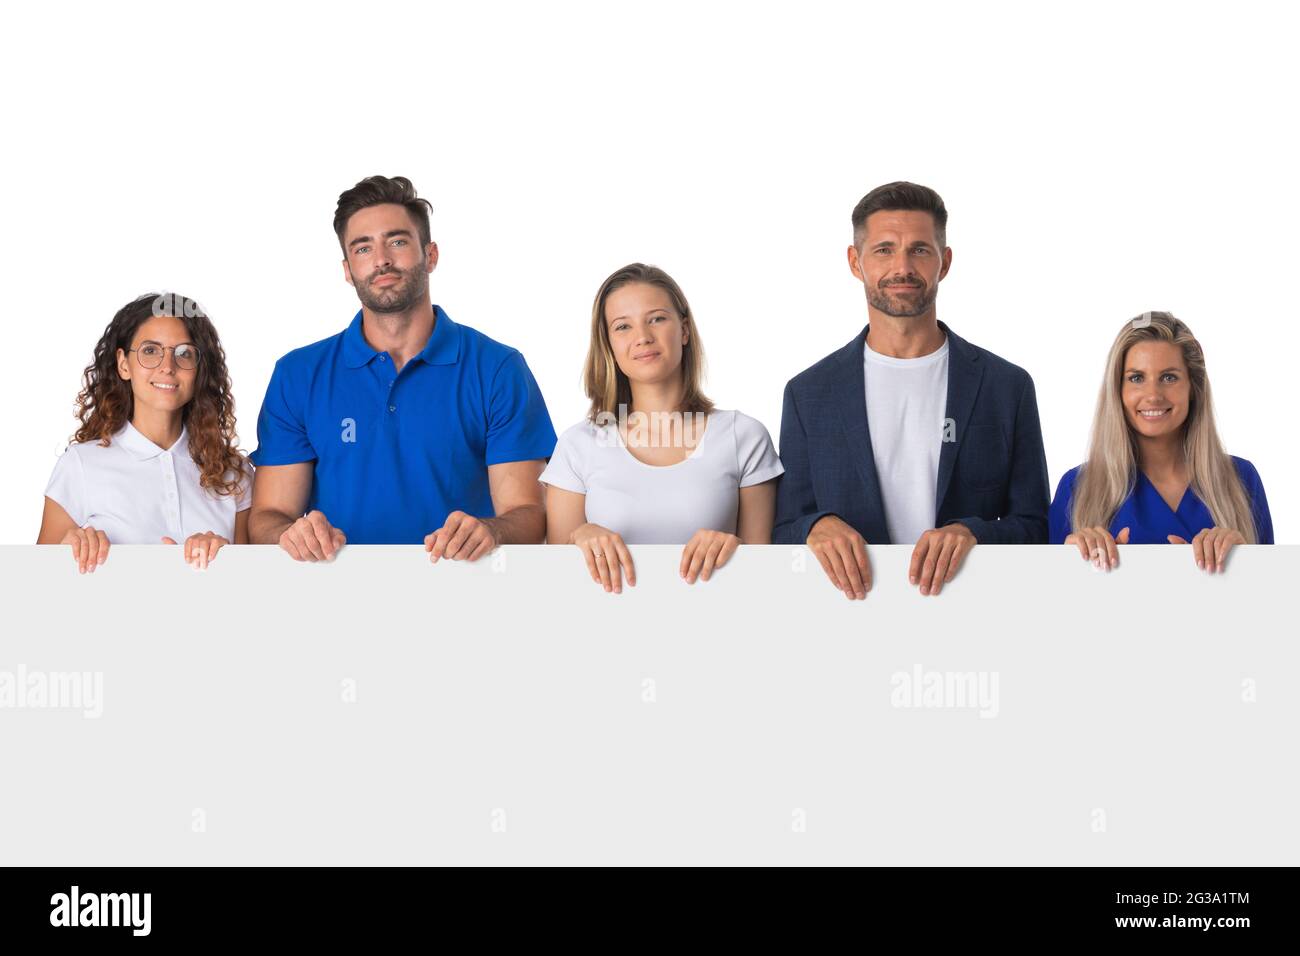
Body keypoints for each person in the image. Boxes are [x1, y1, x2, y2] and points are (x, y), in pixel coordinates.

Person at [248, 175, 557, 561]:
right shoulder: (297, 375)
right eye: (363, 248)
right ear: (347, 269)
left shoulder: (497, 369)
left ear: (431, 255)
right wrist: (291, 534)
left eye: (397, 241)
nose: (382, 260)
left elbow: (529, 514)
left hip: (463, 595)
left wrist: (491, 530)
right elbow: (266, 518)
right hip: (332, 600)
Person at [773, 182, 1050, 599]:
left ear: (945, 262)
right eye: (884, 249)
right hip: (850, 618)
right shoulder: (808, 393)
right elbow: (780, 531)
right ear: (855, 261)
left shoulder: (1006, 387)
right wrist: (814, 525)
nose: (902, 267)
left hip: (974, 613)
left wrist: (972, 532)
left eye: (919, 249)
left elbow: (1037, 527)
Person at [540, 263, 784, 592]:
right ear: (608, 344)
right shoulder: (577, 445)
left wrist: (735, 549)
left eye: (657, 319)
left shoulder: (744, 436)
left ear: (684, 330)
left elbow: (767, 577)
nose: (643, 337)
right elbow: (555, 585)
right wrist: (577, 537)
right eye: (623, 326)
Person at [38, 293, 252, 571]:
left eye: (184, 353)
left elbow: (255, 581)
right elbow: (34, 583)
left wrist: (229, 560)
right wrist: (68, 550)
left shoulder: (235, 473)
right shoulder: (80, 465)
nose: (167, 366)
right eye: (150, 351)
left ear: (199, 371)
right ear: (123, 364)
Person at [1050, 311, 1273, 571]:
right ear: (1117, 390)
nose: (1153, 395)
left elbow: (1275, 603)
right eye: (1136, 378)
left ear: (1193, 387)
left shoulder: (1240, 479)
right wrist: (1071, 569)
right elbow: (1051, 606)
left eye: (1169, 377)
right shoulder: (1078, 487)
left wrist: (1244, 566)